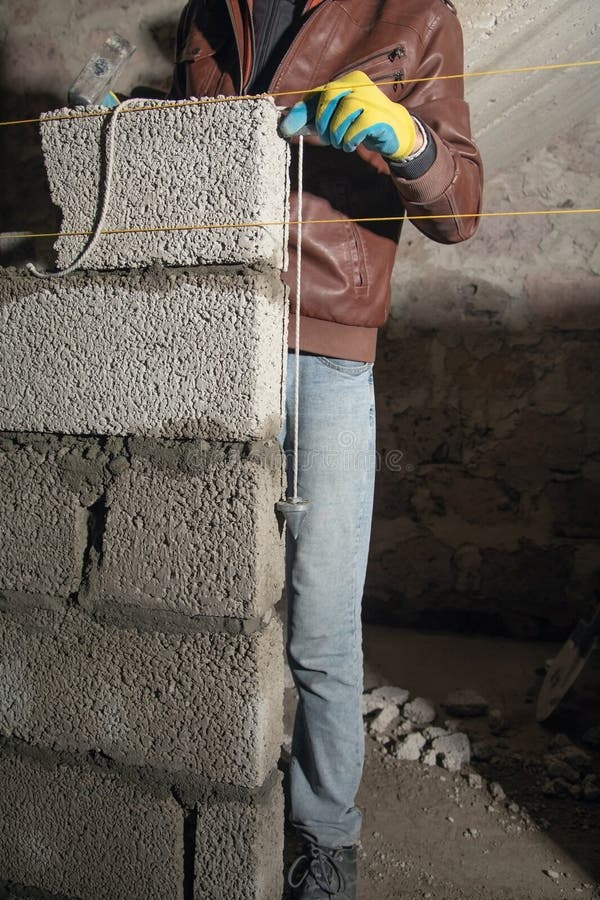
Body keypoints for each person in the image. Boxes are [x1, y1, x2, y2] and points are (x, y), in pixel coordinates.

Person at [170, 2, 483, 897]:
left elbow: (461, 209)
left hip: (324, 352)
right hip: (205, 333)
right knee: (196, 598)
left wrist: (409, 141)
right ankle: (193, 794)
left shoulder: (414, 13)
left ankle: (325, 836)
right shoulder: (207, 11)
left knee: (319, 626)